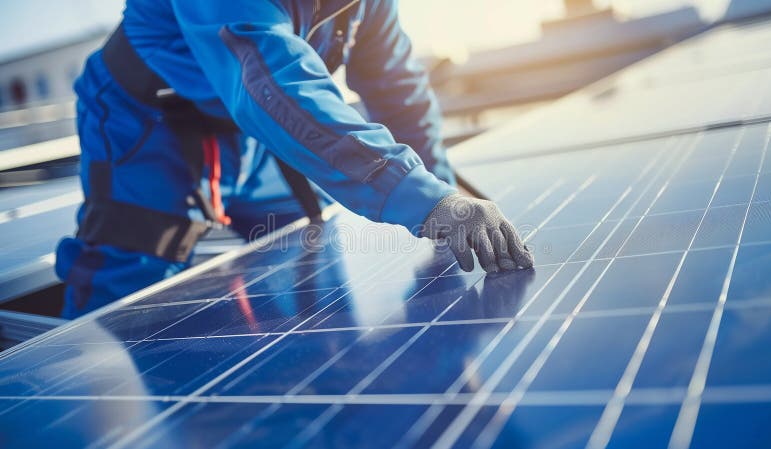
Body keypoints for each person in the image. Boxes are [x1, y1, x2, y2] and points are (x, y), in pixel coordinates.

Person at [55, 0, 533, 319]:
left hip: (260, 128)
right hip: (148, 119)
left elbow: (397, 89)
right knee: (132, 301)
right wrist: (420, 199)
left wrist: (445, 201)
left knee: (301, 276)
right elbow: (269, 79)